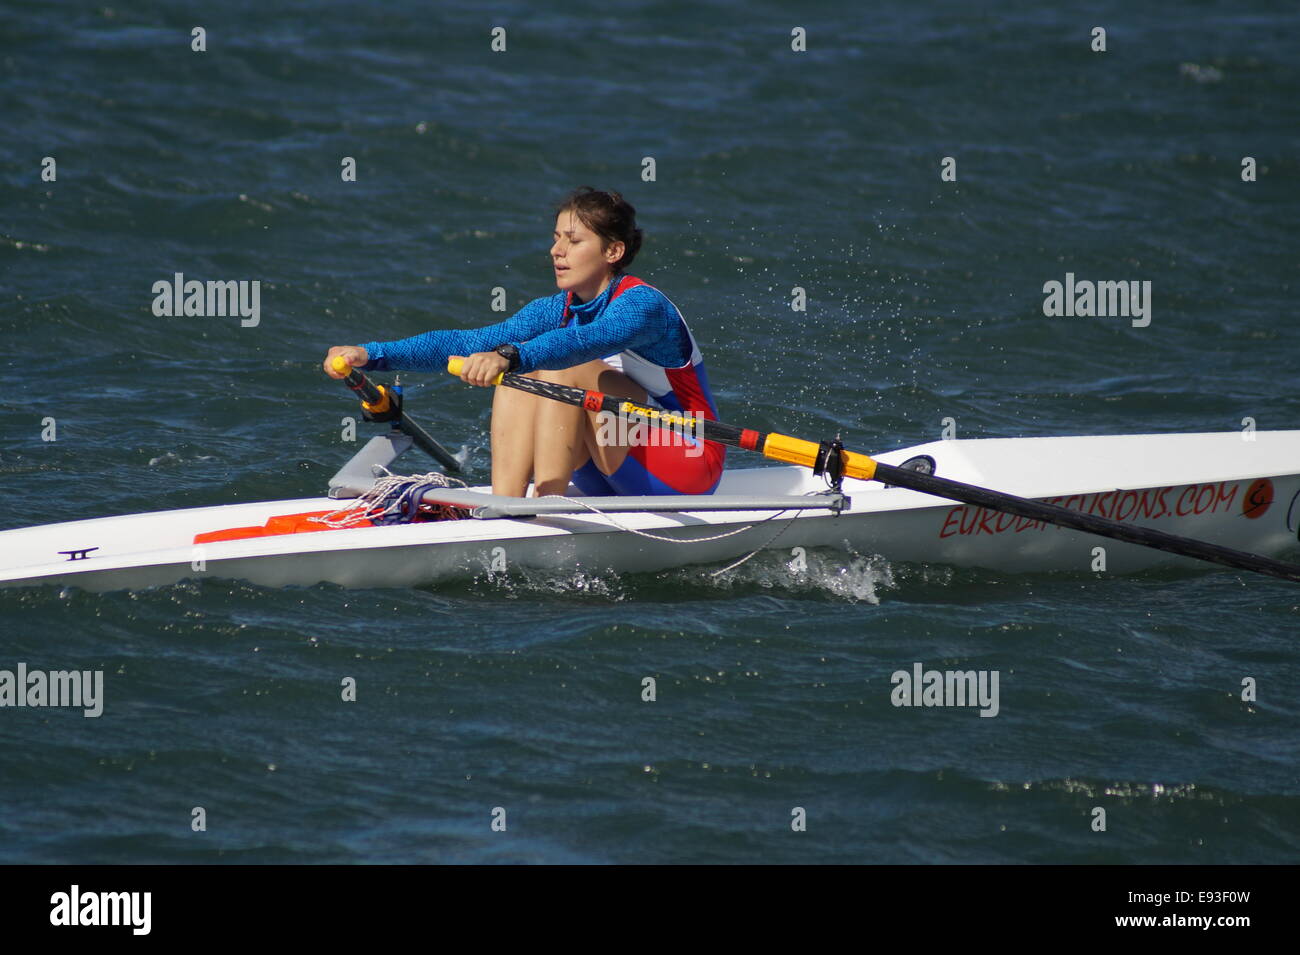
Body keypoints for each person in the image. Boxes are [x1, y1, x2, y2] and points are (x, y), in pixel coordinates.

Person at [324, 187, 724, 498]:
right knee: (523, 371)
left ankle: (543, 507)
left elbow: (584, 342)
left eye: (573, 241)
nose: (556, 250)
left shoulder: (643, 305)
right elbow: (471, 341)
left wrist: (508, 357)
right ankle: (508, 505)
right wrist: (373, 354)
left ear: (613, 251)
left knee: (558, 365)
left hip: (686, 462)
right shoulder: (555, 308)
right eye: (555, 239)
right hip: (610, 465)